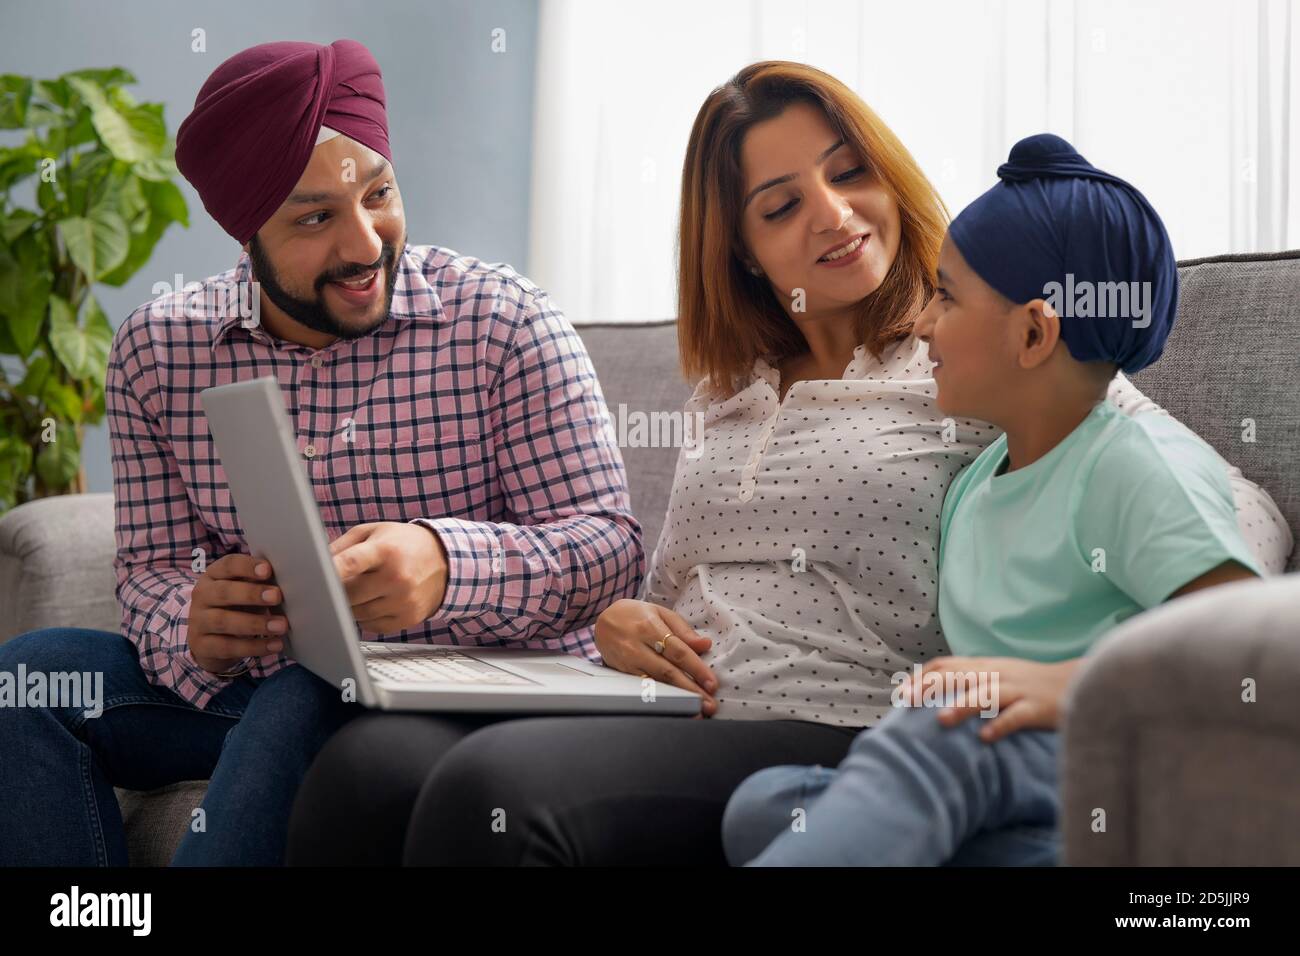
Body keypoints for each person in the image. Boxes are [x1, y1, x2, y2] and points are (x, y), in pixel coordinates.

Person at [287, 65, 1289, 866]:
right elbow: (674, 587)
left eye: (847, 171)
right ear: (743, 253)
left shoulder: (974, 356)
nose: (831, 213)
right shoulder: (733, 392)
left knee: (490, 791)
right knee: (366, 762)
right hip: (672, 709)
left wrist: (1068, 677)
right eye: (779, 203)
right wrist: (622, 621)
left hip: (843, 721)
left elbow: (1224, 515)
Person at [0, 39, 641, 867]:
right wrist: (195, 622)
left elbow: (610, 549)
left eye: (379, 193)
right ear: (246, 232)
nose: (367, 243)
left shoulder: (504, 322)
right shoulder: (160, 350)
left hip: (455, 693)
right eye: (314, 219)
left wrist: (448, 562)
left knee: (312, 686)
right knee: (29, 680)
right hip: (257, 688)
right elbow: (150, 573)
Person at [721, 132, 1262, 866]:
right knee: (766, 807)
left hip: (1118, 770)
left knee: (945, 728)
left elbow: (1247, 662)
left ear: (1034, 332)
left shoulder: (1135, 467)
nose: (921, 323)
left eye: (945, 296)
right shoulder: (976, 483)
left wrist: (1068, 688)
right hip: (1018, 795)